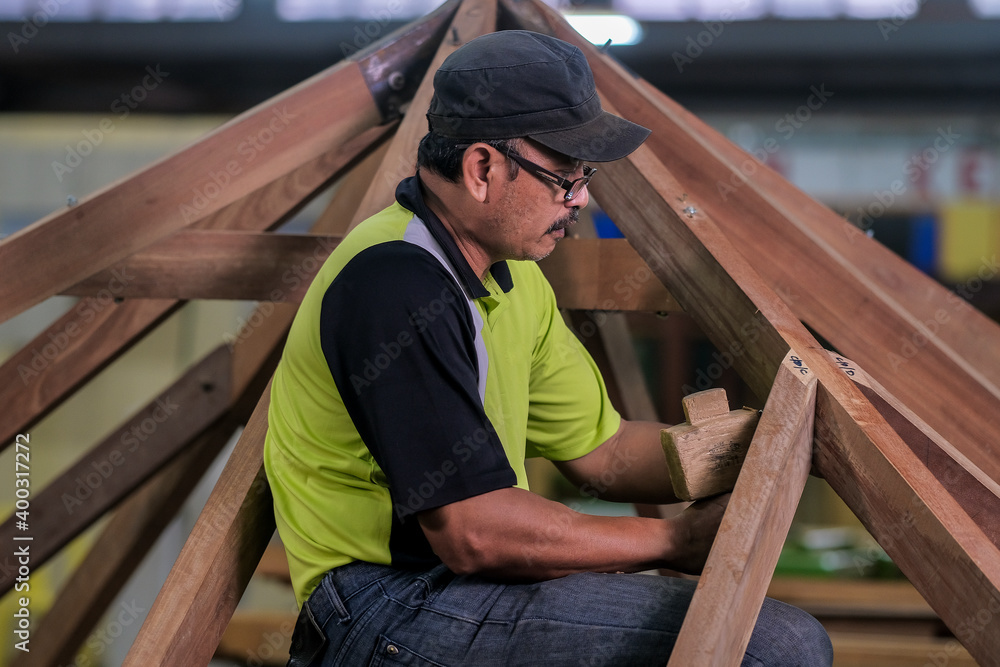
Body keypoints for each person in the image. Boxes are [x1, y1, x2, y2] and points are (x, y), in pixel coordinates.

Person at [264, 29, 833, 667]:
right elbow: (472, 533)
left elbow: (604, 451)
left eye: (585, 176)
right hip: (384, 604)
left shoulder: (513, 276)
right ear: (482, 169)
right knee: (778, 647)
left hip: (456, 591)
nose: (581, 200)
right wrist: (672, 541)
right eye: (564, 177)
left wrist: (771, 445)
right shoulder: (395, 281)